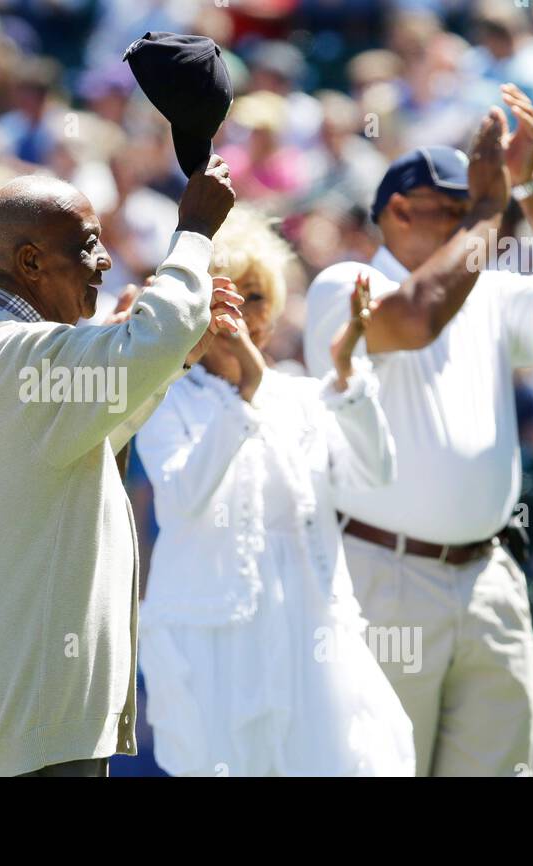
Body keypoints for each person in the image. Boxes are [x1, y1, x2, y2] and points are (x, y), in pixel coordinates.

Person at [304, 85, 533, 777]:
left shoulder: (490, 291)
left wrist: (530, 185)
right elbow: (416, 319)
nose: (472, 229)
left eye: (474, 213)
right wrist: (488, 211)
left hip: (489, 576)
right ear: (396, 212)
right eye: (452, 210)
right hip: (383, 575)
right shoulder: (344, 283)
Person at [0, 157, 240, 777]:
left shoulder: (4, 347)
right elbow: (157, 332)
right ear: (30, 264)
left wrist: (172, 359)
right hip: (29, 727)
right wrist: (196, 234)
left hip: (29, 722)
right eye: (88, 245)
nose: (104, 261)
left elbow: (100, 424)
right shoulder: (14, 354)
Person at [136, 206, 414, 776]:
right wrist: (246, 390)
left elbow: (376, 475)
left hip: (312, 635)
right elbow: (184, 497)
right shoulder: (165, 400)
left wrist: (345, 374)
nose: (243, 315)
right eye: (227, 297)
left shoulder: (305, 398)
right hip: (212, 640)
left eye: (256, 296)